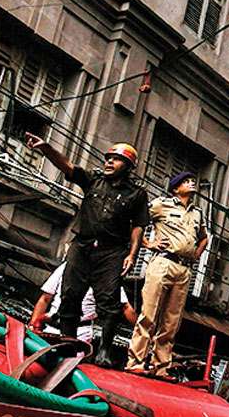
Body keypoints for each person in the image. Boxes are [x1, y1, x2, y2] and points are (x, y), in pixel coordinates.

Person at [25, 134, 148, 367]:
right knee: (70, 295)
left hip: (112, 251)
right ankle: (68, 341)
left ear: (129, 166)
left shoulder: (137, 194)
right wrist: (46, 148)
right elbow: (68, 166)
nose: (109, 162)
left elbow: (138, 226)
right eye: (108, 158)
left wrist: (132, 255)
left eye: (116, 159)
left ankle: (104, 351)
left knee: (109, 303)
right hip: (82, 245)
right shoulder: (93, 180)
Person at [126, 171, 209, 375]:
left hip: (184, 269)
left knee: (172, 321)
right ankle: (135, 362)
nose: (191, 183)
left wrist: (195, 254)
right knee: (149, 315)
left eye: (192, 180)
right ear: (175, 188)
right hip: (162, 262)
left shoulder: (197, 212)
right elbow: (135, 221)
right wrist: (148, 243)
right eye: (186, 182)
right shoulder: (161, 204)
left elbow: (204, 238)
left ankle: (161, 367)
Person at [28, 261, 135, 344]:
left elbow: (126, 308)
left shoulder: (107, 276)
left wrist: (143, 333)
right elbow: (45, 298)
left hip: (80, 332)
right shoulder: (67, 266)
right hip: (52, 327)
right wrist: (32, 326)